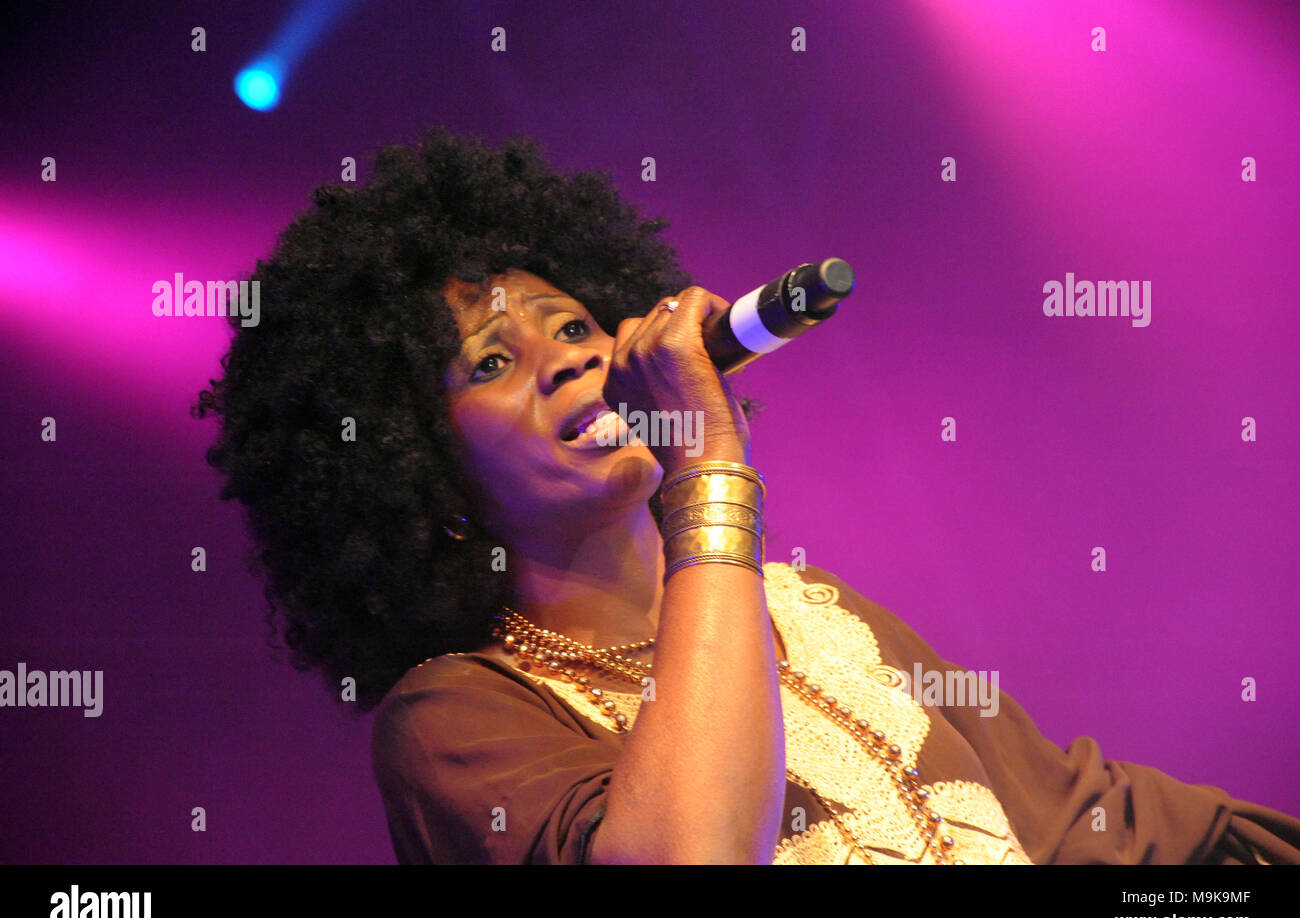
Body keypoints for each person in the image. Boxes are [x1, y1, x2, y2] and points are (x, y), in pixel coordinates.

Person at [195, 126, 1300, 864]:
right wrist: (708, 470)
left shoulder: (814, 614)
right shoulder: (454, 718)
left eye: (577, 325)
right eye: (492, 362)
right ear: (417, 476)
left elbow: (1076, 822)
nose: (571, 358)